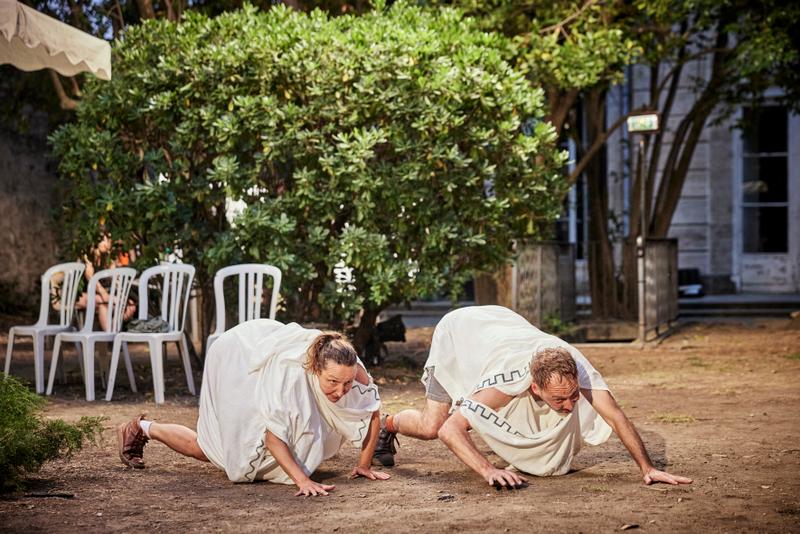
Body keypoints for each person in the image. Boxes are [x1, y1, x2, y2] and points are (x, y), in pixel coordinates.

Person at [373, 305, 692, 489]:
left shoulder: (576, 366)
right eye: (559, 400)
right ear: (534, 387)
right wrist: (488, 470)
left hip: (501, 326)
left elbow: (615, 414)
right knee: (433, 425)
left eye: (572, 397)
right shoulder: (506, 383)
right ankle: (387, 424)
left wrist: (646, 468)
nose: (569, 407)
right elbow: (449, 431)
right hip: (459, 334)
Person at [117, 319, 390, 496]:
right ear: (315, 368)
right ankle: (140, 428)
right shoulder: (291, 380)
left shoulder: (355, 373)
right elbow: (273, 439)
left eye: (347, 383)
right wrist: (302, 482)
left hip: (265, 351)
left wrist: (363, 465)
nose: (341, 391)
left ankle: (143, 427)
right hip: (238, 358)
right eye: (332, 382)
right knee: (219, 450)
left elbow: (373, 414)